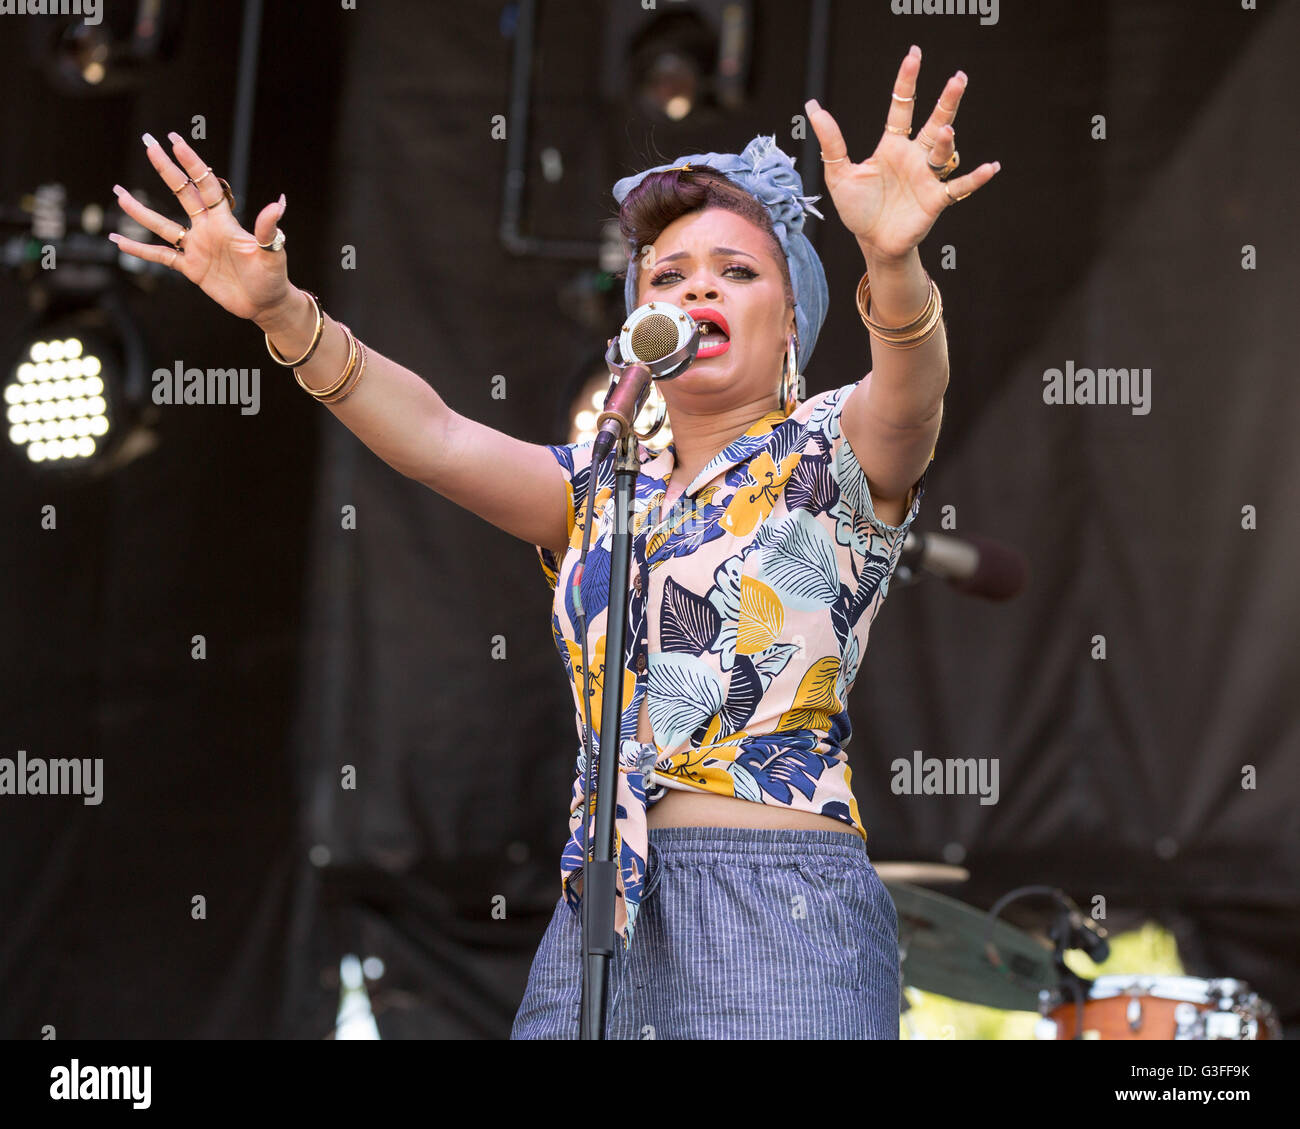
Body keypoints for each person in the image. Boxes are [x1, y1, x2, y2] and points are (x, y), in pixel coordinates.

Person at [107, 44, 998, 1039]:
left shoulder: (835, 446)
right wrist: (280, 310)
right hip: (604, 907)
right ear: (637, 328)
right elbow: (438, 438)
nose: (695, 289)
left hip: (776, 904)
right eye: (668, 274)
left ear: (792, 318)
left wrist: (891, 259)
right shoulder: (603, 483)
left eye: (737, 271)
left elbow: (913, 390)